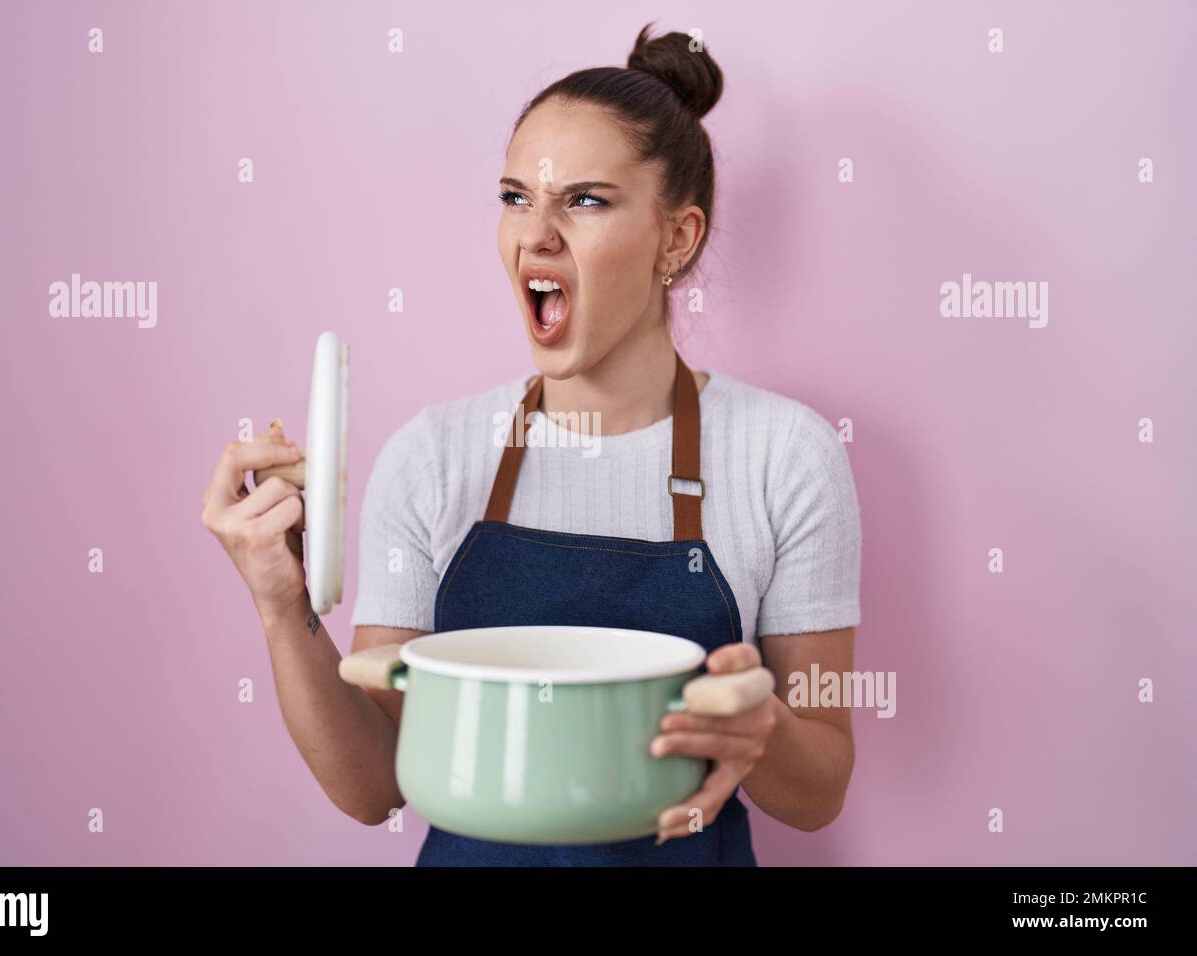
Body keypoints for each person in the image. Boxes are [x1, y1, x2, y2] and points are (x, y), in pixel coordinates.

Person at [202, 23, 861, 866]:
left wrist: (761, 728)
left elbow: (823, 787)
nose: (537, 235)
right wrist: (281, 603)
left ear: (678, 237)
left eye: (585, 200)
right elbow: (373, 786)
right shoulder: (432, 458)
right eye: (517, 197)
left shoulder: (787, 457)